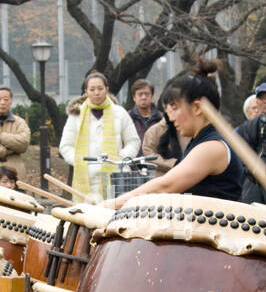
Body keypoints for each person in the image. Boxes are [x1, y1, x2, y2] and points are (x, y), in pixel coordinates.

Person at [108, 58, 243, 206]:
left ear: (197, 108)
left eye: (175, 107)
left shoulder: (212, 147)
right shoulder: (200, 141)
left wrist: (112, 204)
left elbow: (165, 186)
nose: (171, 117)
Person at [60, 72, 140, 198]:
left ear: (107, 89)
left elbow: (133, 142)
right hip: (86, 179)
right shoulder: (76, 115)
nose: (96, 93)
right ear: (86, 91)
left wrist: (120, 159)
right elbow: (65, 146)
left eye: (100, 88)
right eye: (92, 89)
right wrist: (79, 161)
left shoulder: (120, 113)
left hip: (115, 178)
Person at [140, 109, 187, 175]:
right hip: (162, 177)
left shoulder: (188, 128)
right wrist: (174, 163)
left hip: (187, 175)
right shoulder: (153, 131)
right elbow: (149, 155)